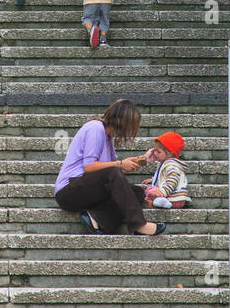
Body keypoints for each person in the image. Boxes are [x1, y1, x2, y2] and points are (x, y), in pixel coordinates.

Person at [53, 98, 165, 237]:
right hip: (69, 192)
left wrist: (143, 159)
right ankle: (138, 225)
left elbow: (115, 174)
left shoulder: (107, 137)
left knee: (137, 193)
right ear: (121, 120)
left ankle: (96, 218)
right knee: (113, 172)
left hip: (88, 190)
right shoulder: (95, 128)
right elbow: (89, 167)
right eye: (130, 125)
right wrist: (119, 164)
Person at [143, 131, 191, 209]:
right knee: (151, 190)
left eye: (158, 152)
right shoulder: (165, 163)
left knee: (150, 190)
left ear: (169, 154)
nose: (154, 153)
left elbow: (172, 180)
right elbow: (166, 177)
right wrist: (154, 179)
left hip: (175, 198)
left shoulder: (171, 166)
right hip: (175, 198)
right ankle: (156, 202)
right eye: (154, 150)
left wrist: (163, 192)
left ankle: (161, 202)